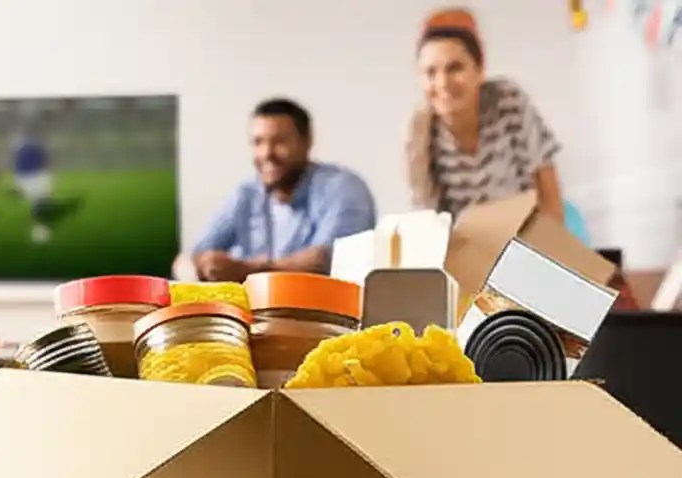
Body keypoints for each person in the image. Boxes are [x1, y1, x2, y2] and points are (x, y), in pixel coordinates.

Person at [179, 98, 377, 282]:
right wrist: (199, 272)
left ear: (307, 141)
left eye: (280, 142)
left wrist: (246, 270)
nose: (267, 153)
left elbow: (330, 260)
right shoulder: (246, 193)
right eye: (258, 142)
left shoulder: (343, 187)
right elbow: (187, 259)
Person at [406, 8, 564, 220]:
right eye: (430, 73)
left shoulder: (508, 101)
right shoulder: (420, 132)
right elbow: (429, 222)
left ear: (480, 70)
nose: (442, 83)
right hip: (466, 240)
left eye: (455, 68)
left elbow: (548, 193)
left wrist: (550, 239)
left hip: (528, 232)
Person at [11, 128, 54, 243]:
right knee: (41, 197)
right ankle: (38, 215)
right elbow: (44, 161)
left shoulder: (22, 149)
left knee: (40, 196)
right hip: (32, 175)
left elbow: (18, 166)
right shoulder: (31, 148)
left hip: (27, 176)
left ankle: (36, 212)